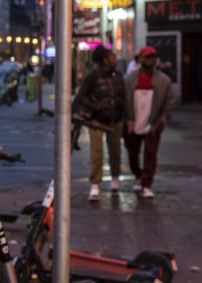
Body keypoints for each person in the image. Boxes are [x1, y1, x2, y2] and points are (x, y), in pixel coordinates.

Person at [124, 46, 177, 199]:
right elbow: (124, 100)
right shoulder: (130, 79)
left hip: (153, 124)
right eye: (147, 57)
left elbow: (170, 101)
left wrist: (162, 119)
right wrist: (128, 119)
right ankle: (138, 175)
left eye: (153, 57)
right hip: (133, 124)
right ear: (140, 59)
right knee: (132, 153)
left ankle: (147, 183)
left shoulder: (163, 81)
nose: (150, 60)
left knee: (150, 154)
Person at [73, 46, 125, 201]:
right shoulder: (93, 76)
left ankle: (115, 178)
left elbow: (124, 96)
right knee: (97, 152)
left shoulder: (118, 75)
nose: (115, 60)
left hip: (115, 118)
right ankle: (95, 183)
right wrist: (95, 106)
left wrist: (127, 116)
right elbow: (80, 97)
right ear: (105, 60)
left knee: (115, 150)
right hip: (96, 119)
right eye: (112, 57)